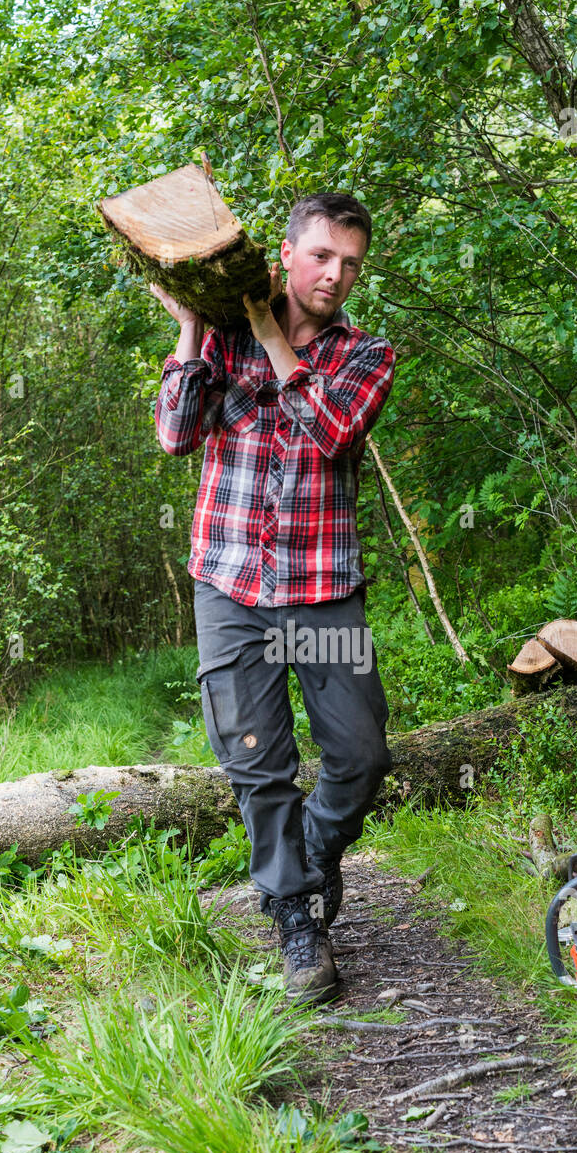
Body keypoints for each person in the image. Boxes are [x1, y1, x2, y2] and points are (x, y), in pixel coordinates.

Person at [152, 191, 396, 1005]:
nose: (335, 274)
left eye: (350, 263)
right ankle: (295, 916)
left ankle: (316, 856)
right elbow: (175, 435)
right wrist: (190, 331)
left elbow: (332, 432)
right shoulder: (220, 339)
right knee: (256, 766)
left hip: (322, 591)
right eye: (321, 255)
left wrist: (270, 338)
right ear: (285, 254)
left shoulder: (365, 355)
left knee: (360, 755)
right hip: (230, 586)